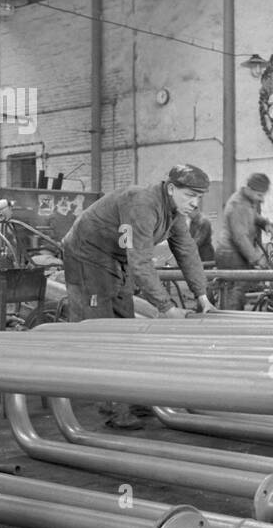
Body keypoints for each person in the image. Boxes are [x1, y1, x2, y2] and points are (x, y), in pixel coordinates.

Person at [62, 164, 213, 428]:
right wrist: (166, 307)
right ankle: (111, 406)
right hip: (86, 254)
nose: (195, 203)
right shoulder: (142, 205)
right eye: (190, 195)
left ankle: (131, 397)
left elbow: (187, 251)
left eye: (199, 196)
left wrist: (202, 296)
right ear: (171, 188)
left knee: (126, 327)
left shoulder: (173, 213)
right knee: (104, 331)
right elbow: (141, 263)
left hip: (114, 258)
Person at [212, 173, 273, 310]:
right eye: (259, 195)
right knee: (234, 294)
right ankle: (231, 325)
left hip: (236, 254)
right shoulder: (238, 205)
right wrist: (257, 259)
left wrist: (265, 224)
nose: (262, 199)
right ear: (250, 189)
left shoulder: (247, 202)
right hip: (231, 256)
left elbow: (253, 217)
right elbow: (240, 238)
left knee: (239, 291)